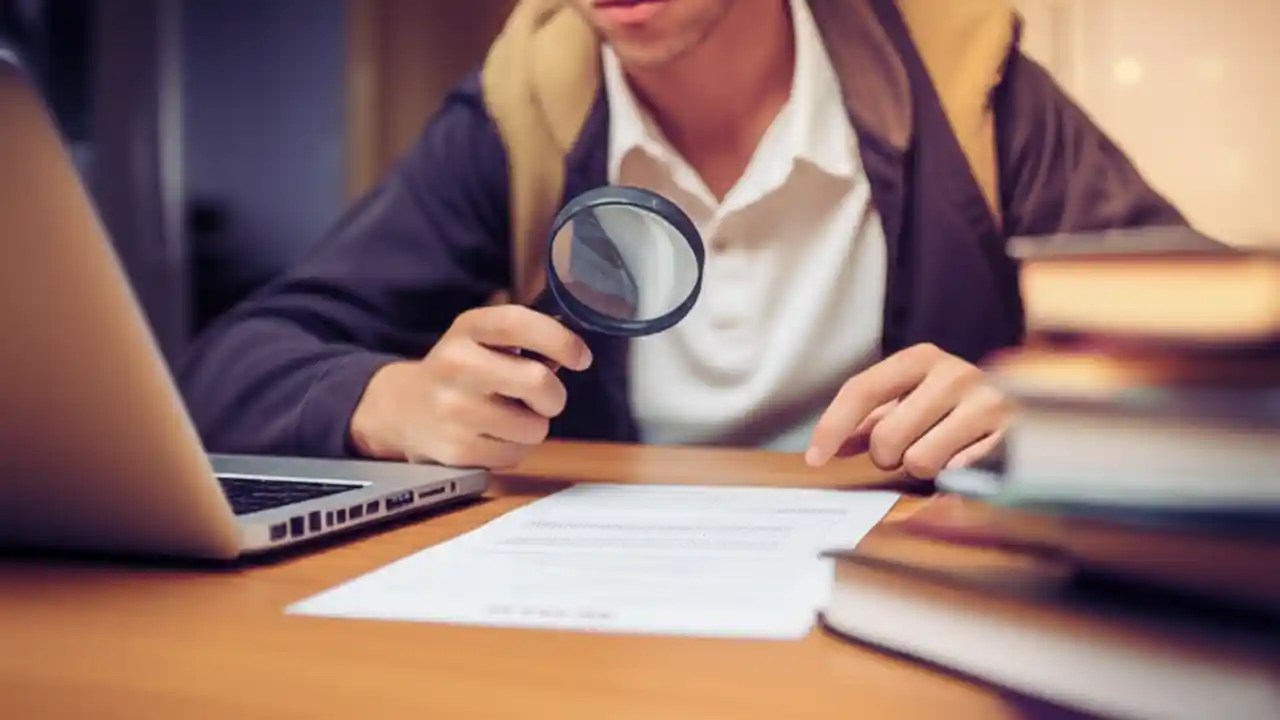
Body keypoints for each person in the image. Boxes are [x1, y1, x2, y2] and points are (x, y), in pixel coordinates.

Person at [178, 0, 1182, 476]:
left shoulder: (967, 83)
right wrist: (380, 399)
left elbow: (1221, 356)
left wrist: (1040, 404)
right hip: (614, 640)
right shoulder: (520, 110)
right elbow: (226, 367)